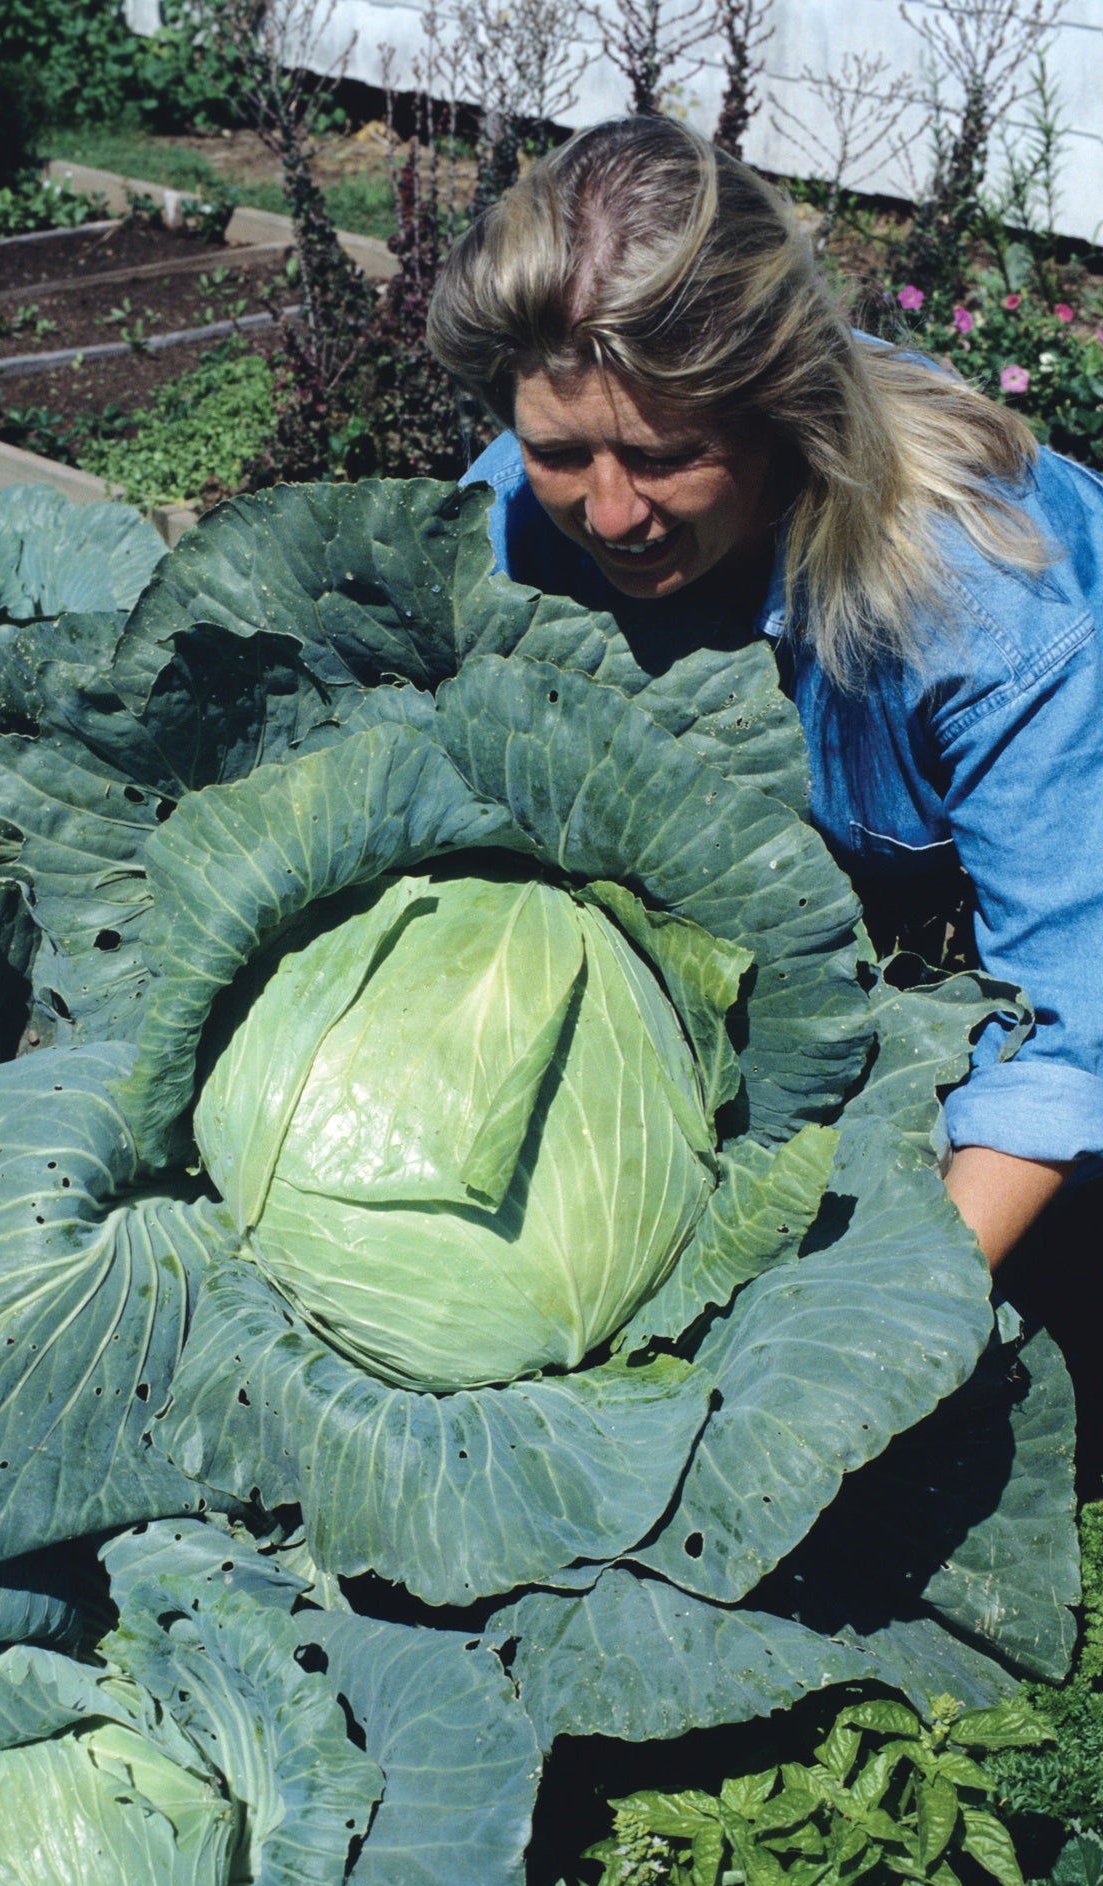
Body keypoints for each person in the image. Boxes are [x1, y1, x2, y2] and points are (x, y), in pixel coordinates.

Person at [425, 113, 1103, 1273]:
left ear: (782, 415)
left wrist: (871, 1317)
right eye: (560, 453)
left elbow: (1061, 1038)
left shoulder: (981, 607)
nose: (608, 512)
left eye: (662, 456)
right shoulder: (510, 524)